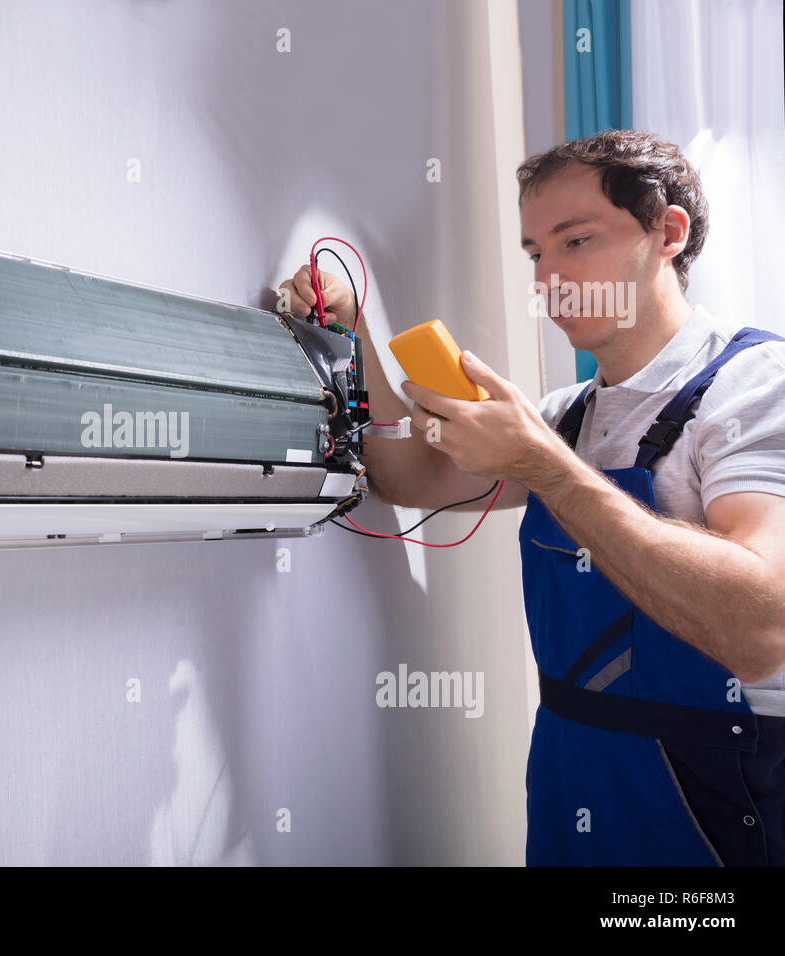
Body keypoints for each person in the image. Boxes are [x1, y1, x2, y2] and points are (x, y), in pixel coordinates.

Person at [280, 129, 785, 866]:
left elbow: (761, 628)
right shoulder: (566, 415)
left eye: (575, 241)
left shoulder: (754, 385)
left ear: (667, 232)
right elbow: (415, 480)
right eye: (535, 253)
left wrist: (545, 465)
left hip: (710, 799)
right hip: (571, 779)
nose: (547, 278)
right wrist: (354, 335)